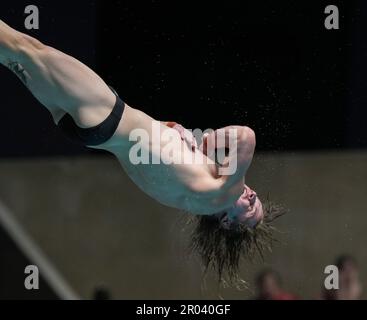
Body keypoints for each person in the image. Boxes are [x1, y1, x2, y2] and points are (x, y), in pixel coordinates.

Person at [0, 20, 285, 283]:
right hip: (92, 133)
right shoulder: (192, 193)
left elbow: (245, 136)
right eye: (254, 197)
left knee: (25, 48)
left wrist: (209, 144)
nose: (250, 194)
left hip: (105, 114)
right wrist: (191, 143)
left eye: (249, 207)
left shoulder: (220, 194)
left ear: (226, 221)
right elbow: (153, 147)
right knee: (14, 53)